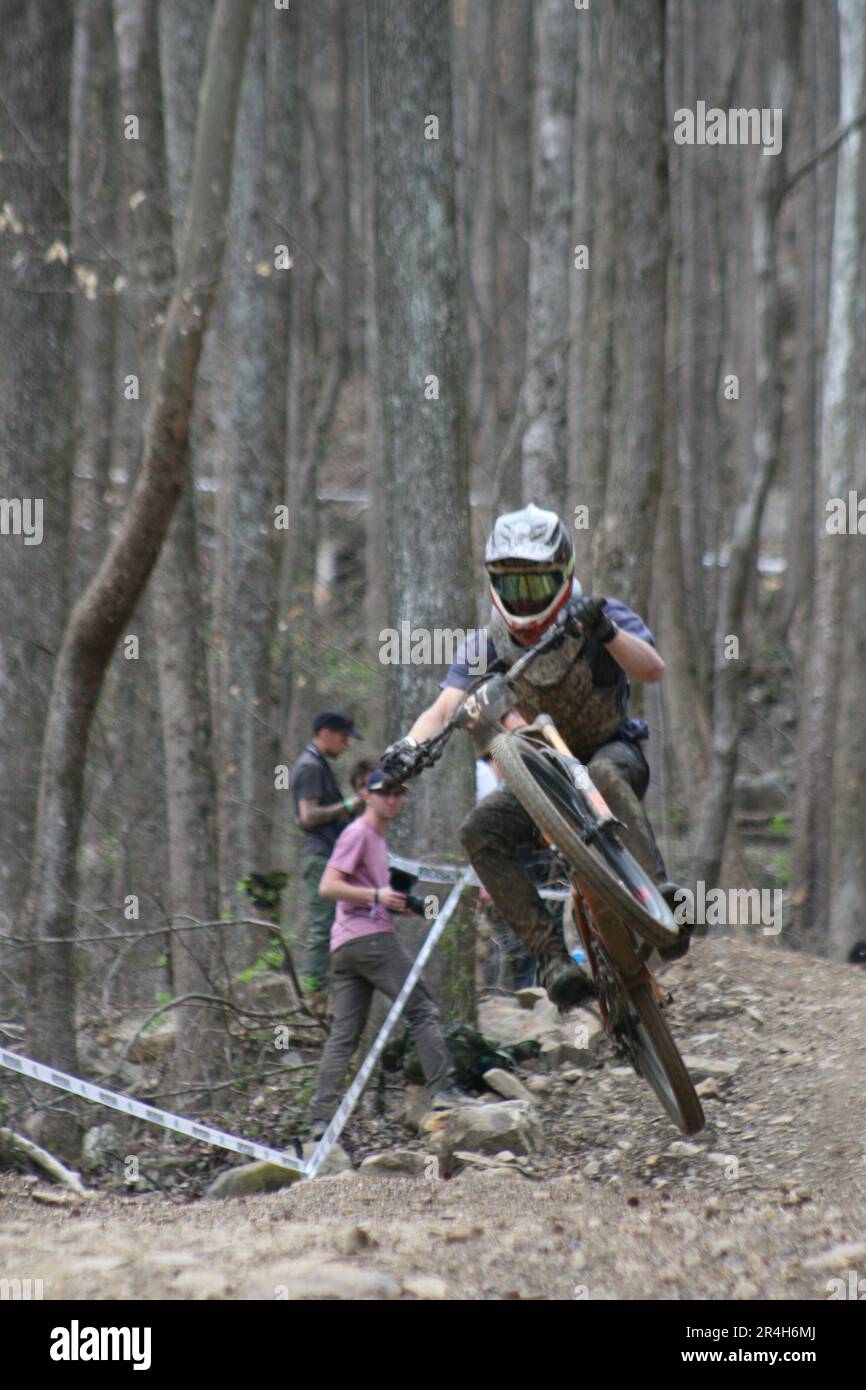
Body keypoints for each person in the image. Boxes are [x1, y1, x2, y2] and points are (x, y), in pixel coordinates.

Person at [381, 502, 690, 1013]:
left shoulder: (599, 613)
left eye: (537, 586)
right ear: (493, 585)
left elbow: (653, 669)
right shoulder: (486, 645)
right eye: (512, 587)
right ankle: (552, 960)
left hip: (609, 750)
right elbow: (443, 708)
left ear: (564, 577)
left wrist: (606, 633)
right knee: (480, 829)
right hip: (543, 778)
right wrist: (407, 749)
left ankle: (661, 900)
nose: (525, 603)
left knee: (604, 773)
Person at [308, 768, 467, 1139]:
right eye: (384, 793)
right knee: (422, 1009)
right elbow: (328, 886)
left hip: (348, 947)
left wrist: (404, 905)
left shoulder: (377, 841)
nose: (392, 800)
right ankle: (444, 1093)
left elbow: (369, 894)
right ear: (367, 794)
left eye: (398, 793)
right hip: (370, 943)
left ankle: (320, 1120)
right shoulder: (358, 833)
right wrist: (377, 897)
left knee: (344, 1035)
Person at [290, 711, 364, 999]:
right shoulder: (310, 766)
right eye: (343, 738)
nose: (346, 745)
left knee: (336, 922)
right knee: (323, 925)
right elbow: (308, 816)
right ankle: (315, 992)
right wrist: (349, 805)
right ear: (326, 734)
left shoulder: (318, 765)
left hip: (329, 856)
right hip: (320, 856)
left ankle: (332, 987)